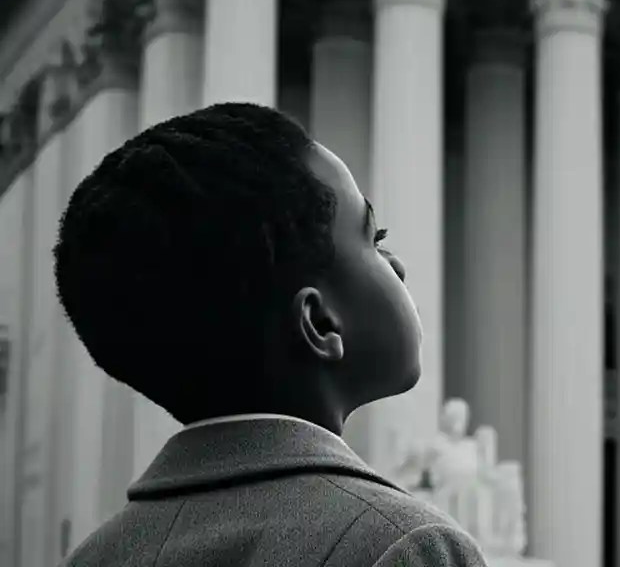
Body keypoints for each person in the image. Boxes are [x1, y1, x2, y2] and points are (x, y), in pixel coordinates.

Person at [53, 102, 486, 567]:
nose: (397, 264)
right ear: (320, 323)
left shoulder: (94, 557)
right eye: (373, 238)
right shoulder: (407, 546)